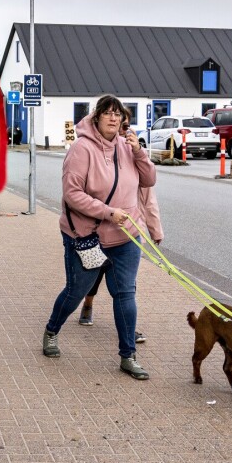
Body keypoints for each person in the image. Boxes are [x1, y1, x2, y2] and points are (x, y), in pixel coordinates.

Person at [42, 95, 157, 379]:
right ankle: (52, 330)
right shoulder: (81, 149)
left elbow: (149, 180)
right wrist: (107, 212)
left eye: (118, 114)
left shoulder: (128, 145)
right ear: (96, 118)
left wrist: (139, 152)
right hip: (87, 236)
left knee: (125, 294)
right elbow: (72, 194)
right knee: (76, 292)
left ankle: (128, 356)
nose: (114, 118)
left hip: (126, 235)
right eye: (107, 113)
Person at [79, 111, 163, 343]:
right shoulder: (96, 151)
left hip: (129, 233)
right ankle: (88, 302)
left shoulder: (136, 155)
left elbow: (149, 199)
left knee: (127, 287)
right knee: (94, 274)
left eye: (126, 126)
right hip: (101, 228)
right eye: (118, 124)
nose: (122, 130)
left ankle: (128, 330)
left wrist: (155, 230)